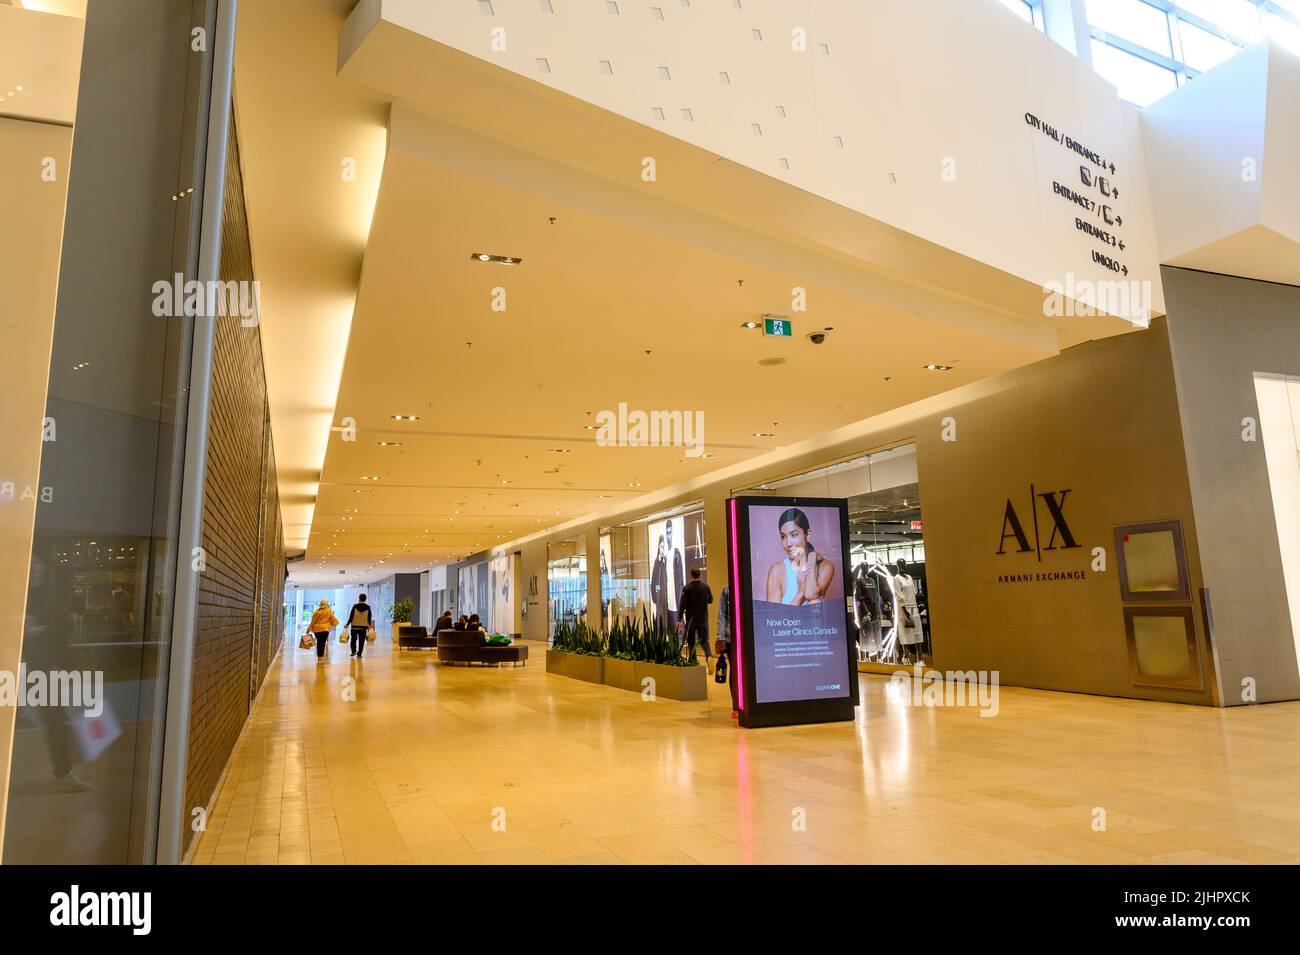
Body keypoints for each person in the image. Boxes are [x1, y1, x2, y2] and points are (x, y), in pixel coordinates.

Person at [765, 507, 834, 605]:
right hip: (788, 621)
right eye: (783, 537)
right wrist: (799, 594)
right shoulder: (777, 570)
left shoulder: (826, 567)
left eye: (794, 535)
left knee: (815, 602)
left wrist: (812, 556)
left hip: (813, 620)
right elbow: (773, 618)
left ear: (808, 534)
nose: (788, 543)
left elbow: (811, 594)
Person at [678, 566, 714, 672]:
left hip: (691, 620)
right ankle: (709, 656)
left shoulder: (687, 588)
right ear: (699, 574)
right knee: (704, 640)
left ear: (691, 575)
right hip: (703, 619)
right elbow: (711, 600)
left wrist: (679, 618)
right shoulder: (706, 587)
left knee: (691, 642)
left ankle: (694, 663)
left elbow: (682, 605)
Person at [716, 583, 739, 719]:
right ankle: (736, 705)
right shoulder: (727, 589)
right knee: (735, 671)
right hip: (731, 638)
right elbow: (722, 614)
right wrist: (721, 638)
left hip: (747, 638)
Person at [344, 593, 374, 658]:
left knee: (353, 640)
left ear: (359, 598)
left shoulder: (355, 606)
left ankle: (353, 651)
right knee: (361, 641)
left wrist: (347, 624)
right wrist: (370, 626)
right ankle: (359, 654)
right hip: (363, 627)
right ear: (365, 599)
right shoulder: (368, 608)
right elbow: (369, 618)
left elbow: (351, 617)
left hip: (354, 626)